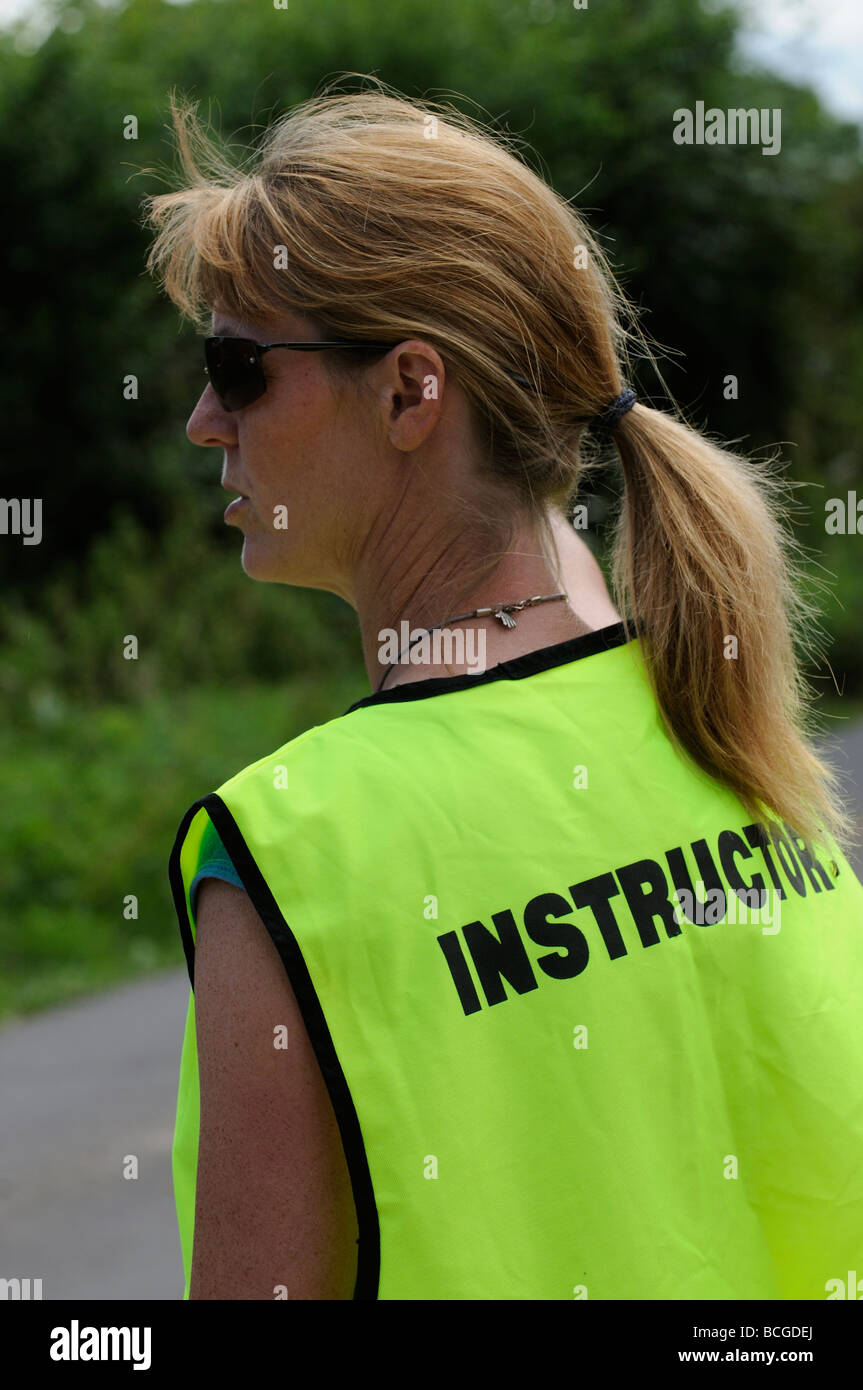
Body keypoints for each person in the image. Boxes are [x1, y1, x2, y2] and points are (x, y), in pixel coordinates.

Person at [143, 78, 863, 1301]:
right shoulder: (724, 729)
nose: (207, 417)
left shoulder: (291, 850)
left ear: (412, 391)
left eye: (239, 363)